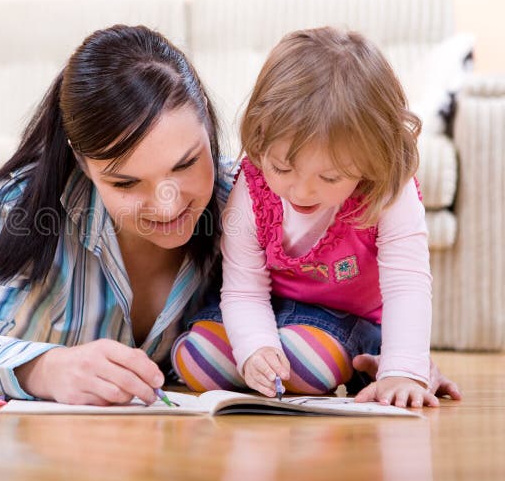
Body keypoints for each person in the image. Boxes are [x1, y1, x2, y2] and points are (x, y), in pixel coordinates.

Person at [0, 24, 229, 405]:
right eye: (126, 184)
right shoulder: (23, 207)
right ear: (83, 161)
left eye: (186, 164)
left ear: (208, 127)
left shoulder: (249, 204)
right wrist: (44, 369)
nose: (167, 205)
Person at [170, 26, 462, 408]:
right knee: (193, 354)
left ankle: (348, 359)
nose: (302, 192)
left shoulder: (389, 189)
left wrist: (404, 371)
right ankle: (272, 361)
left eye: (330, 177)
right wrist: (255, 349)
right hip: (266, 307)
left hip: (344, 317)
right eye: (282, 168)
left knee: (311, 363)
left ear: (373, 160)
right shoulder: (252, 187)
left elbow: (407, 284)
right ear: (260, 140)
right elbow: (244, 289)